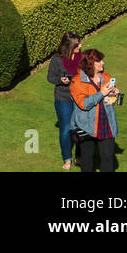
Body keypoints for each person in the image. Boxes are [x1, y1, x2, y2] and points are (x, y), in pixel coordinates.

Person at [70, 48, 119, 172]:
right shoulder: (77, 82)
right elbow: (83, 104)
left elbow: (111, 102)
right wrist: (101, 93)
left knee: (108, 157)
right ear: (90, 63)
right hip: (86, 125)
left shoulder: (106, 77)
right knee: (87, 159)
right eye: (99, 61)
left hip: (106, 123)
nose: (103, 63)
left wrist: (115, 96)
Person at [47, 31, 82, 170]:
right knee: (66, 129)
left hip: (79, 97)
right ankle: (67, 159)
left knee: (80, 128)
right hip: (63, 98)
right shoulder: (57, 60)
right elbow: (50, 77)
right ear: (70, 46)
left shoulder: (81, 56)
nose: (80, 45)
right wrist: (60, 80)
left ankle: (79, 156)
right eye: (78, 44)